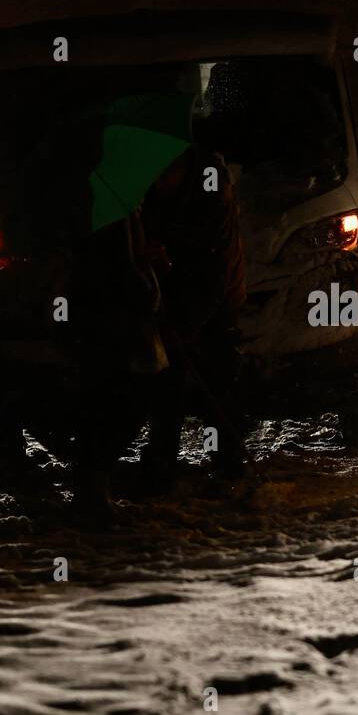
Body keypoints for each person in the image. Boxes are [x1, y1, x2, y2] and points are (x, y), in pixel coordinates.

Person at [134, 145, 247, 492]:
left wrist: (184, 326)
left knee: (217, 378)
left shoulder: (213, 193)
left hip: (216, 299)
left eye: (163, 175)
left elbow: (214, 274)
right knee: (168, 383)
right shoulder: (150, 191)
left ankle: (230, 464)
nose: (157, 183)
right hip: (173, 295)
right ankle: (162, 461)